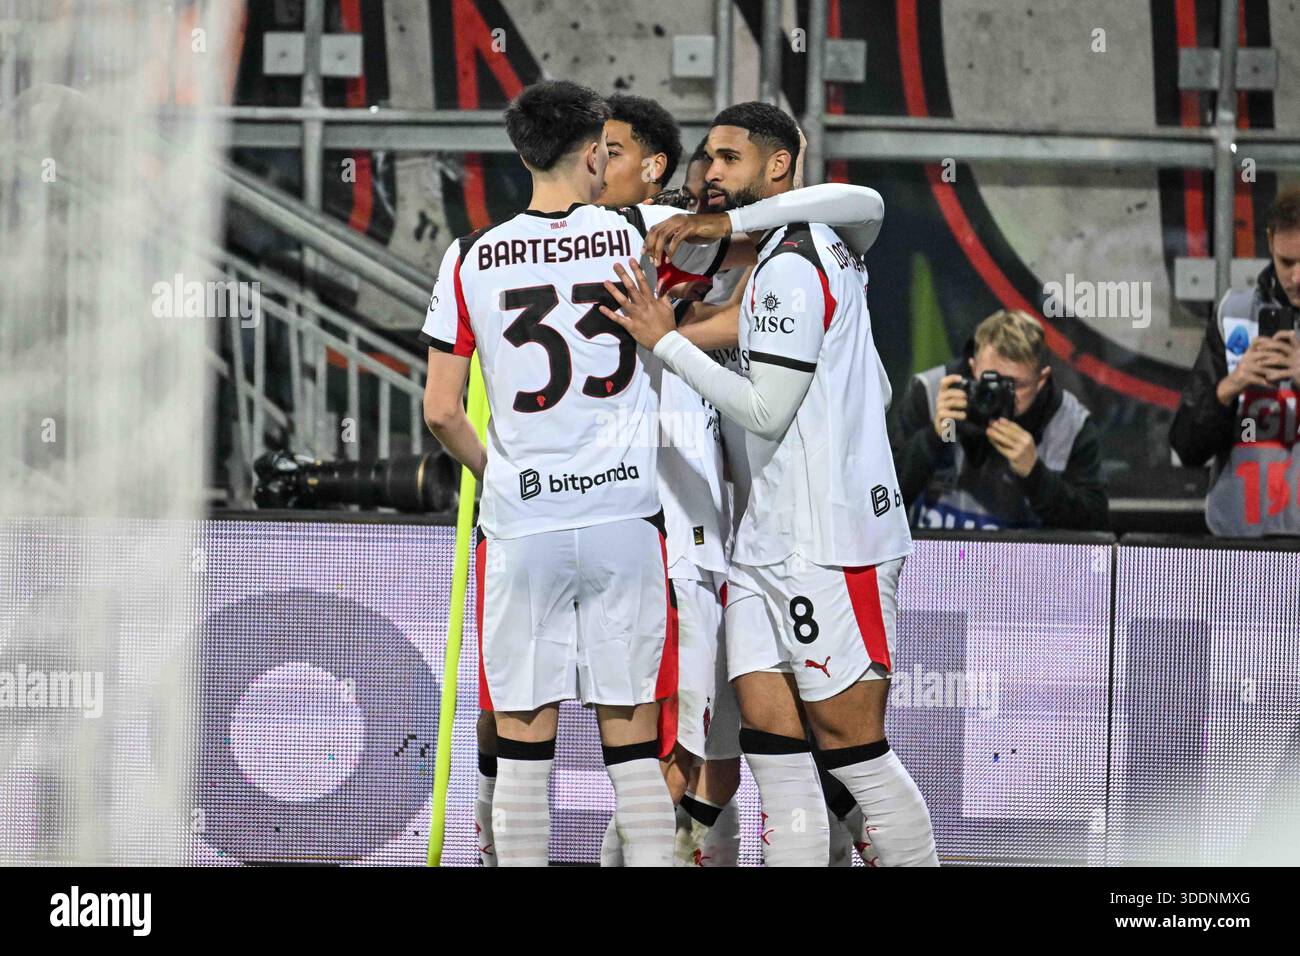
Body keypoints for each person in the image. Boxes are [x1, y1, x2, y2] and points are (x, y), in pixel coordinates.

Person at [427, 80, 898, 866]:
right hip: (633, 523)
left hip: (558, 521)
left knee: (523, 734)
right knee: (638, 750)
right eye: (602, 149)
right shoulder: (640, 236)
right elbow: (844, 209)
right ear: (587, 153)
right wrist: (726, 218)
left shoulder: (470, 252)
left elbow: (442, 409)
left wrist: (499, 472)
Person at [603, 101, 938, 867]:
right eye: (707, 161)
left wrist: (666, 343)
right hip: (765, 540)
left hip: (831, 539)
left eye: (728, 158)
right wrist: (669, 330)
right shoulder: (799, 244)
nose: (711, 173)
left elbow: (766, 406)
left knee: (856, 756)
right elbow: (742, 329)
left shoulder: (794, 258)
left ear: (779, 165)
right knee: (774, 759)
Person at [888, 309, 1108, 530]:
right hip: (937, 558)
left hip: (1025, 562)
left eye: (1015, 385)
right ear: (973, 368)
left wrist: (1035, 475)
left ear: (1041, 380)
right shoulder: (932, 394)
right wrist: (934, 438)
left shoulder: (1069, 423)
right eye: (989, 380)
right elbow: (884, 500)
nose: (1000, 395)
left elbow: (1093, 530)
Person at [1169, 186, 1300, 535]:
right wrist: (1228, 389)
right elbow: (1187, 448)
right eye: (1287, 262)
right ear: (1270, 241)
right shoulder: (1234, 315)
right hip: (1238, 544)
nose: (1296, 278)